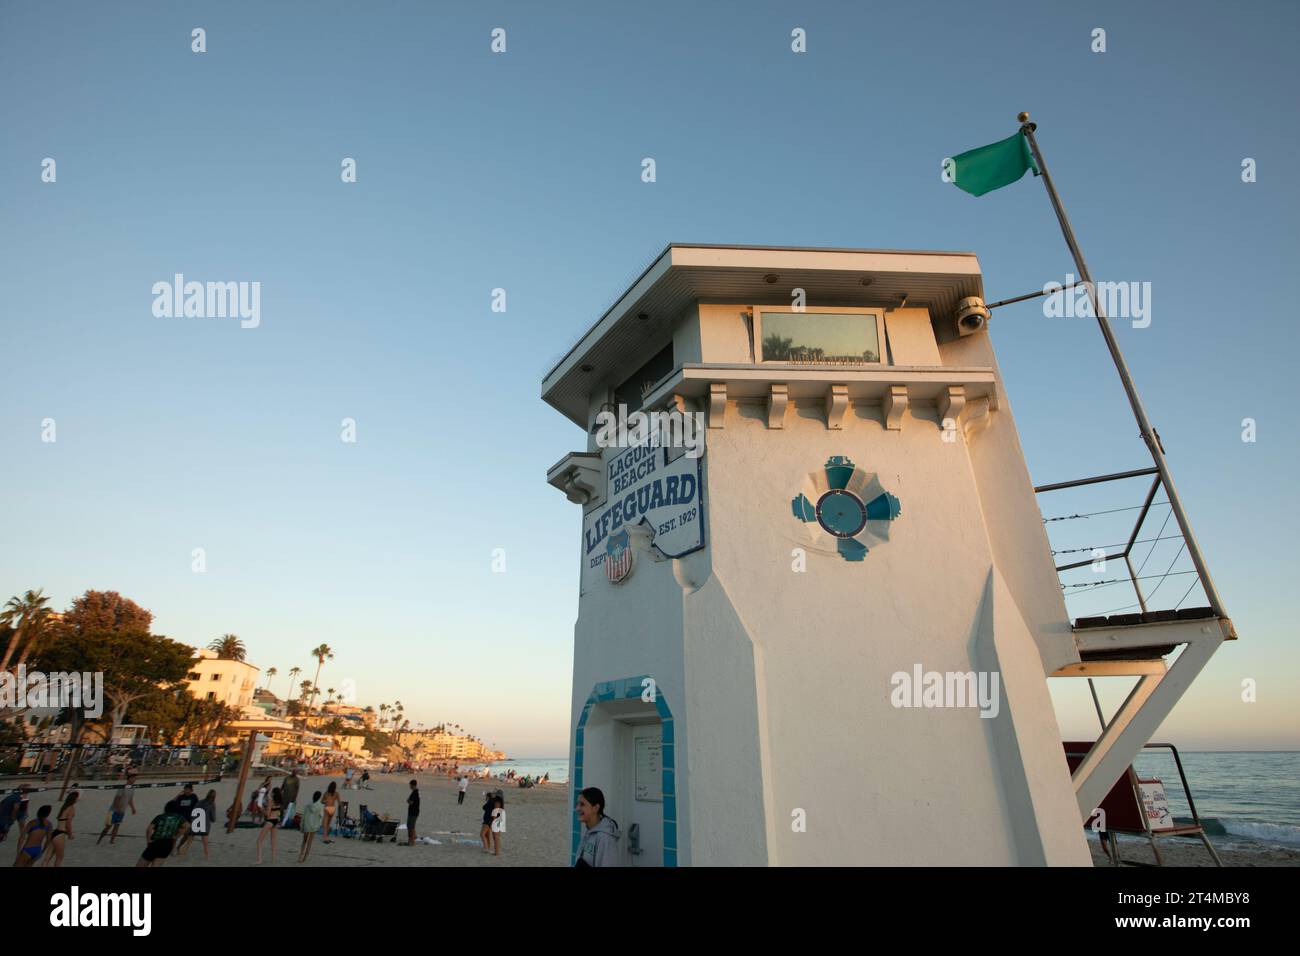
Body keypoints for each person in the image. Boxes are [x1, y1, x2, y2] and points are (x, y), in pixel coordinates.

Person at [575, 787, 621, 867]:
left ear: (595, 808)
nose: (577, 808)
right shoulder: (589, 830)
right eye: (577, 804)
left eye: (582, 804)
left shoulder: (605, 838)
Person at [135, 800, 187, 868]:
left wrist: (148, 840)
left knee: (141, 865)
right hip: (168, 844)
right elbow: (187, 826)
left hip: (156, 842)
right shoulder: (179, 817)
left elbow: (149, 829)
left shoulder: (160, 817)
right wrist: (176, 836)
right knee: (157, 864)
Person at [97, 772, 137, 845]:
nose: (135, 780)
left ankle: (112, 841)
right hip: (114, 810)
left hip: (122, 810)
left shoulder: (132, 788)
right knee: (108, 827)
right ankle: (99, 840)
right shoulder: (122, 787)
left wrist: (133, 808)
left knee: (117, 826)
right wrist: (118, 809)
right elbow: (117, 799)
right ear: (129, 778)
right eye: (133, 778)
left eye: (135, 778)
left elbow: (130, 799)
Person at [178, 789, 217, 860]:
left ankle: (183, 851)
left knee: (189, 840)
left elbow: (194, 811)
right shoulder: (212, 804)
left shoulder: (200, 802)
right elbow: (213, 818)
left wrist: (193, 820)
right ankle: (206, 856)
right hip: (205, 825)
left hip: (196, 822)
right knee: (205, 843)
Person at [41, 791, 78, 866]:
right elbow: (68, 823)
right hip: (60, 834)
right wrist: (70, 834)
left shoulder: (64, 807)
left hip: (55, 832)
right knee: (59, 857)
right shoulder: (71, 808)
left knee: (47, 857)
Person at [255, 787, 282, 864]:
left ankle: (259, 859)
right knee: (273, 841)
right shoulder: (279, 802)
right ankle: (273, 859)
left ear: (273, 793)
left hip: (270, 820)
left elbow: (267, 814)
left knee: (259, 841)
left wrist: (262, 809)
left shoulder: (271, 801)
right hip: (276, 820)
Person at [297, 791, 324, 863]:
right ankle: (305, 858)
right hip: (314, 826)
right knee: (309, 842)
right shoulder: (321, 806)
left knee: (304, 841)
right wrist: (319, 825)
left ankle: (300, 856)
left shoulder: (307, 805)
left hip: (307, 824)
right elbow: (321, 817)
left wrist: (301, 825)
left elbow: (303, 816)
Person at [405, 779, 419, 846]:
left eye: (410, 785)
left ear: (412, 785)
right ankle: (413, 838)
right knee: (410, 825)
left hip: (413, 812)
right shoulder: (416, 792)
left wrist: (407, 800)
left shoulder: (415, 792)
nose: (409, 786)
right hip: (414, 811)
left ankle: (412, 840)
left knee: (411, 826)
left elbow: (411, 802)